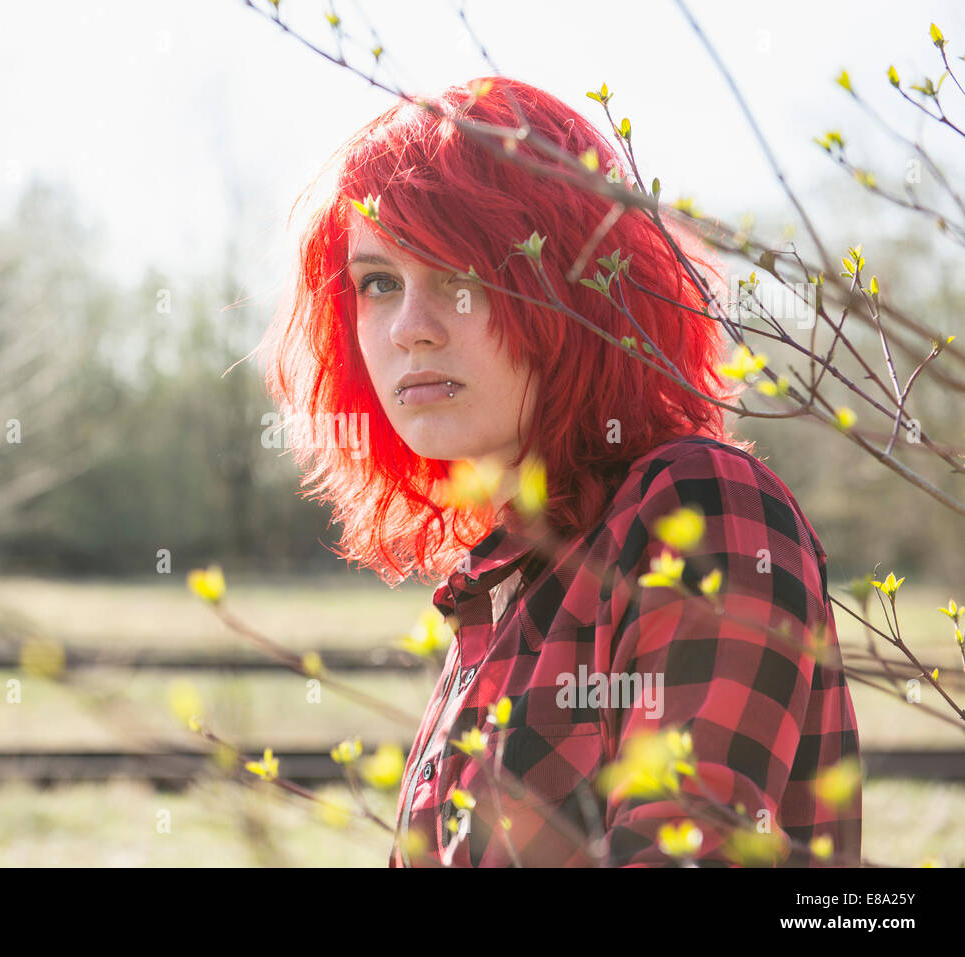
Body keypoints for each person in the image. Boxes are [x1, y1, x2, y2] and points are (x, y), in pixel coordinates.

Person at [257, 76, 861, 867]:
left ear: (575, 287)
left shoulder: (700, 505)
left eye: (459, 275)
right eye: (379, 283)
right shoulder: (505, 579)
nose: (410, 328)